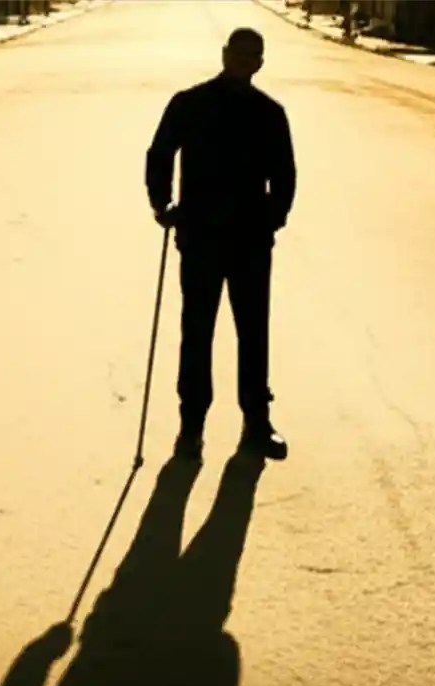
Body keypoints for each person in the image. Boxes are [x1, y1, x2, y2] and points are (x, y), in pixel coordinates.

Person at [144, 27, 296, 462]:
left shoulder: (270, 113)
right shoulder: (189, 103)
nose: (247, 60)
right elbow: (160, 153)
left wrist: (272, 220)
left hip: (250, 240)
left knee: (253, 333)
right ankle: (190, 427)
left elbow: (285, 175)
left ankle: (257, 421)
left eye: (255, 55)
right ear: (225, 54)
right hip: (200, 237)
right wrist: (162, 204)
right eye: (240, 52)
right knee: (197, 333)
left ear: (261, 63)